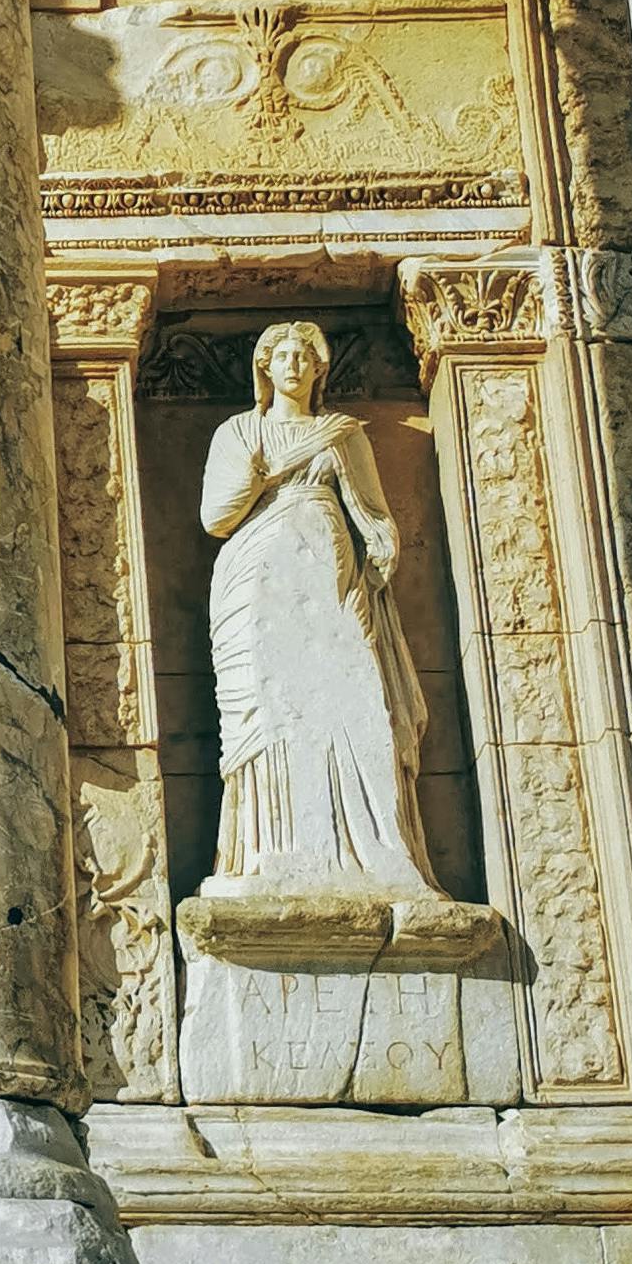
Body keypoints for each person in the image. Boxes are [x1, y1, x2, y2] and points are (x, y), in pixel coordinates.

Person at [197, 316, 436, 896]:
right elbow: (216, 518)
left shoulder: (341, 434)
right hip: (255, 578)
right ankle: (267, 850)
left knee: (349, 696)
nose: (295, 365)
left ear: (319, 369)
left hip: (329, 575)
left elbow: (374, 515)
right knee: (268, 707)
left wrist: (378, 562)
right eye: (283, 356)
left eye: (306, 356)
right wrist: (257, 478)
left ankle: (369, 851)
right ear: (265, 367)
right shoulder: (237, 433)